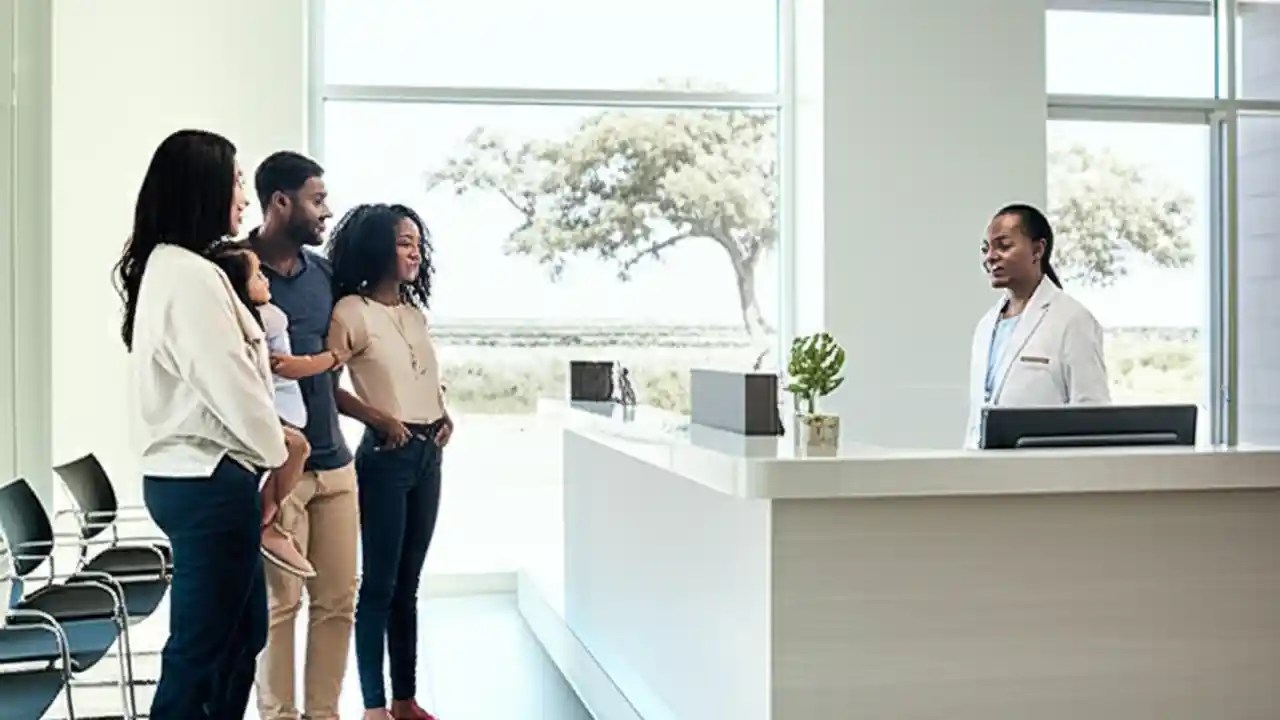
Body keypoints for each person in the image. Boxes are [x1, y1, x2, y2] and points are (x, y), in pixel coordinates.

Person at [118, 129, 287, 719]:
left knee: (241, 637)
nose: (243, 196)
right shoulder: (189, 276)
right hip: (208, 483)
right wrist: (278, 449)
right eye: (237, 180)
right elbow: (232, 385)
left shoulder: (177, 268)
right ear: (205, 186)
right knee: (201, 649)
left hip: (200, 480)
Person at [325, 204, 454, 720]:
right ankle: (373, 707)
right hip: (386, 457)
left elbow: (421, 377)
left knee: (409, 586)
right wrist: (377, 417)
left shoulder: (413, 313)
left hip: (429, 454)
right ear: (379, 247)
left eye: (418, 242)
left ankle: (405, 700)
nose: (414, 251)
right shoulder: (350, 312)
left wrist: (445, 414)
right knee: (377, 587)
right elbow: (326, 386)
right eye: (404, 242)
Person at [248, 151, 356, 720]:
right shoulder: (235, 274)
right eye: (316, 199)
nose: (325, 211)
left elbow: (333, 369)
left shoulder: (324, 276)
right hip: (277, 468)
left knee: (338, 602)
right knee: (279, 606)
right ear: (280, 202)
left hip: (337, 464)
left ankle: (324, 714)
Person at [206, 241, 345, 578]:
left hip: (287, 405)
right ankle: (268, 518)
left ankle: (268, 517)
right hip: (275, 407)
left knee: (289, 455)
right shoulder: (254, 322)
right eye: (257, 277)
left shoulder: (264, 314)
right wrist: (324, 359)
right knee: (294, 451)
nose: (266, 282)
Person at [966, 203, 1111, 447]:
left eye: (1004, 246)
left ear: (1037, 250)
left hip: (1046, 475)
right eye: (986, 248)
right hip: (985, 475)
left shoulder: (1072, 320)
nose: (990, 256)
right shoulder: (985, 326)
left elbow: (1093, 414)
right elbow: (976, 418)